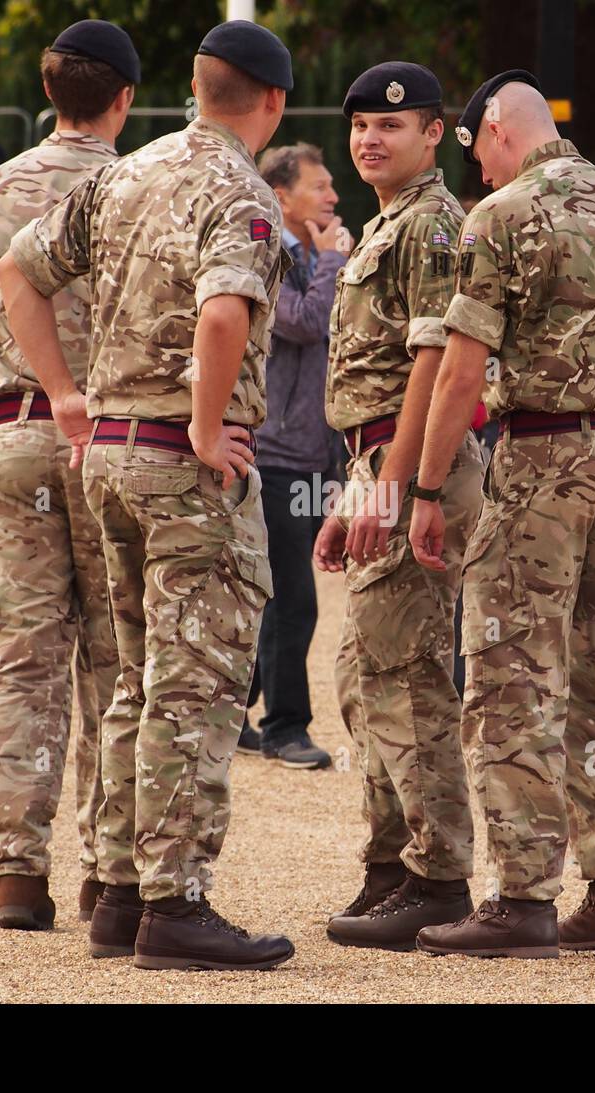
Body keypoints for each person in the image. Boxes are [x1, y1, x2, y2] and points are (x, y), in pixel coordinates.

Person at [0, 19, 296, 972]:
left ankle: (120, 891)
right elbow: (223, 312)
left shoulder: (126, 173)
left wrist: (65, 394)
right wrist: (209, 428)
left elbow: (17, 272)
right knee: (195, 683)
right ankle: (177, 902)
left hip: (110, 457)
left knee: (133, 676)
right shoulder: (244, 194)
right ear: (274, 103)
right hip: (180, 465)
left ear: (196, 87)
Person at [407, 71, 595, 959]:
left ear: (495, 126)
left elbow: (459, 366)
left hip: (542, 456)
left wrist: (424, 487)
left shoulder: (504, 216)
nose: (475, 166)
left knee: (512, 673)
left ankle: (521, 896)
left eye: (472, 145)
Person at [0, 19, 137, 932]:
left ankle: (16, 870)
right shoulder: (136, 189)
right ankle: (111, 870)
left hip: (15, 437)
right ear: (124, 100)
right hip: (116, 439)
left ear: (50, 92)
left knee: (22, 659)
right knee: (118, 658)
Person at [312, 62, 482, 951]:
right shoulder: (389, 223)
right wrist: (356, 485)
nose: (370, 140)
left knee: (408, 676)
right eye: (359, 129)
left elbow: (434, 364)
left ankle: (440, 875)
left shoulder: (434, 224)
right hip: (377, 455)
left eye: (392, 126)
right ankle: (390, 864)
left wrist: (397, 482)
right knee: (363, 675)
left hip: (416, 466)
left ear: (431, 134)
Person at [240, 142, 350, 770]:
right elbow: (304, 322)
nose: (333, 196)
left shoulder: (315, 253)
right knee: (290, 597)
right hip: (275, 452)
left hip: (316, 455)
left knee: (274, 596)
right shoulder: (267, 252)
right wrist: (336, 262)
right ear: (281, 196)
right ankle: (285, 727)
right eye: (321, 185)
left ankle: (230, 711)